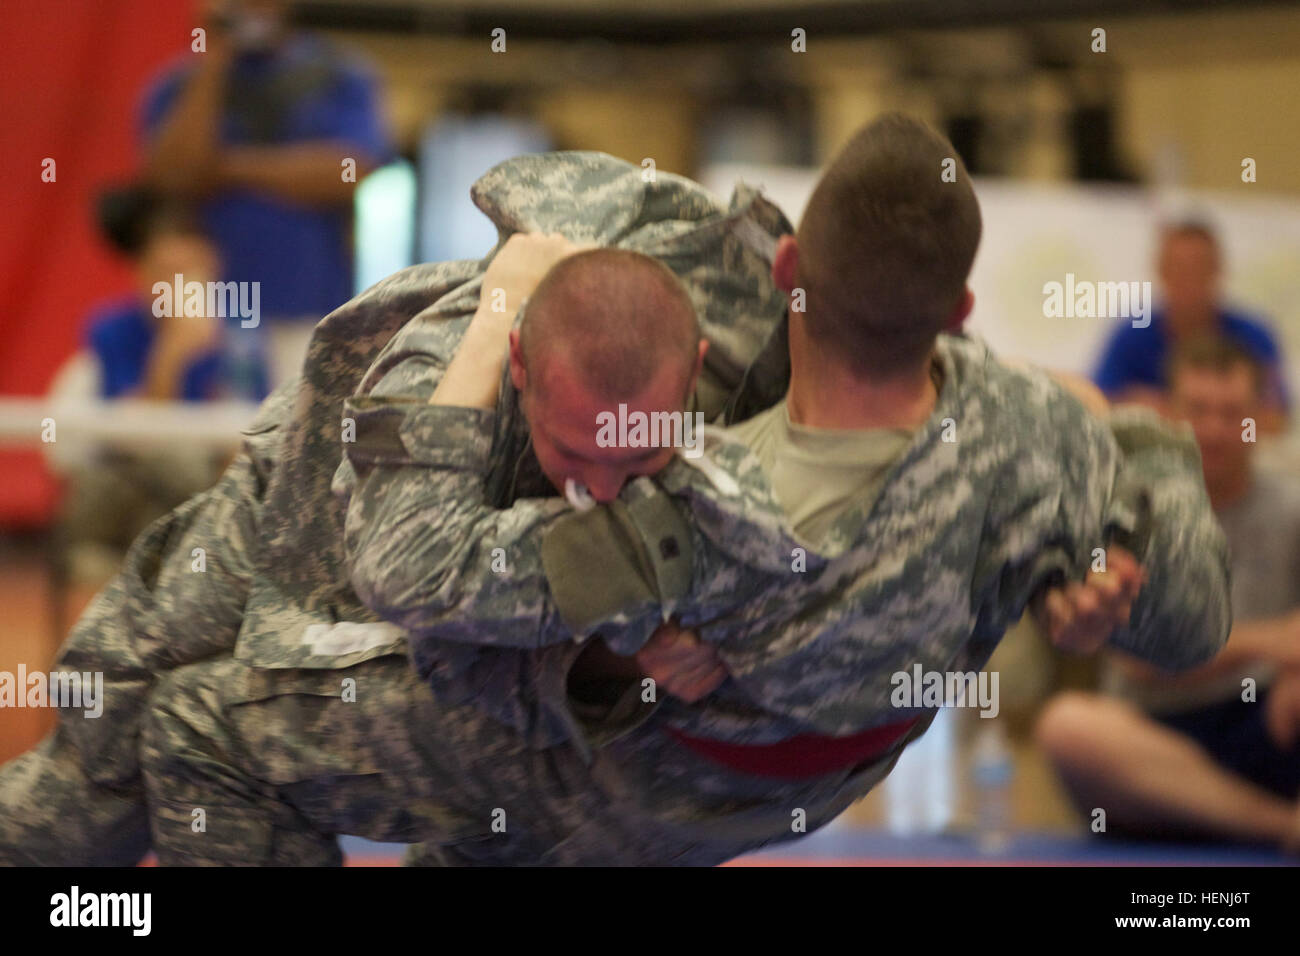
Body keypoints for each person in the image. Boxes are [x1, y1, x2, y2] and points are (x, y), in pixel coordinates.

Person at [138, 118, 1229, 866]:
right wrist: (1149, 456)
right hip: (774, 796)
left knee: (197, 724)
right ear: (960, 310)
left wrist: (489, 328)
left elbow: (419, 564)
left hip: (606, 789)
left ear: (789, 270)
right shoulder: (1035, 432)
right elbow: (1187, 623)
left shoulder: (694, 505)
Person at [1037, 337, 1300, 850]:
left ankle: (1213, 814)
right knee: (1068, 727)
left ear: (1262, 419)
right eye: (1199, 411)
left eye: (1233, 414)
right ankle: (1278, 825)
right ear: (1170, 414)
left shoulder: (1291, 510)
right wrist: (1269, 643)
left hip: (1265, 723)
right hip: (1151, 730)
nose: (1216, 430)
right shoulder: (1129, 509)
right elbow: (1141, 659)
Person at [142, 0, 392, 390]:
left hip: (310, 311)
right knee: (207, 442)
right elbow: (174, 176)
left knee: (300, 440)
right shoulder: (177, 85)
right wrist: (213, 63)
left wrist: (225, 167)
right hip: (211, 316)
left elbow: (349, 169)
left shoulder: (339, 75)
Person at [57, 186, 243, 577]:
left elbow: (251, 434)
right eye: (166, 273)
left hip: (198, 496)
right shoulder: (113, 329)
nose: (179, 288)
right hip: (130, 483)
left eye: (192, 274)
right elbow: (134, 435)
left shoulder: (240, 337)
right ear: (140, 273)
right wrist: (171, 355)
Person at [1091, 220, 1290, 433]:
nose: (1188, 279)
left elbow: (1276, 417)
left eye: (1199, 267)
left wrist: (1170, 414)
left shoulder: (1255, 337)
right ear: (1160, 271)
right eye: (1178, 268)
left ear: (1217, 270)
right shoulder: (1130, 335)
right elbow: (1094, 404)